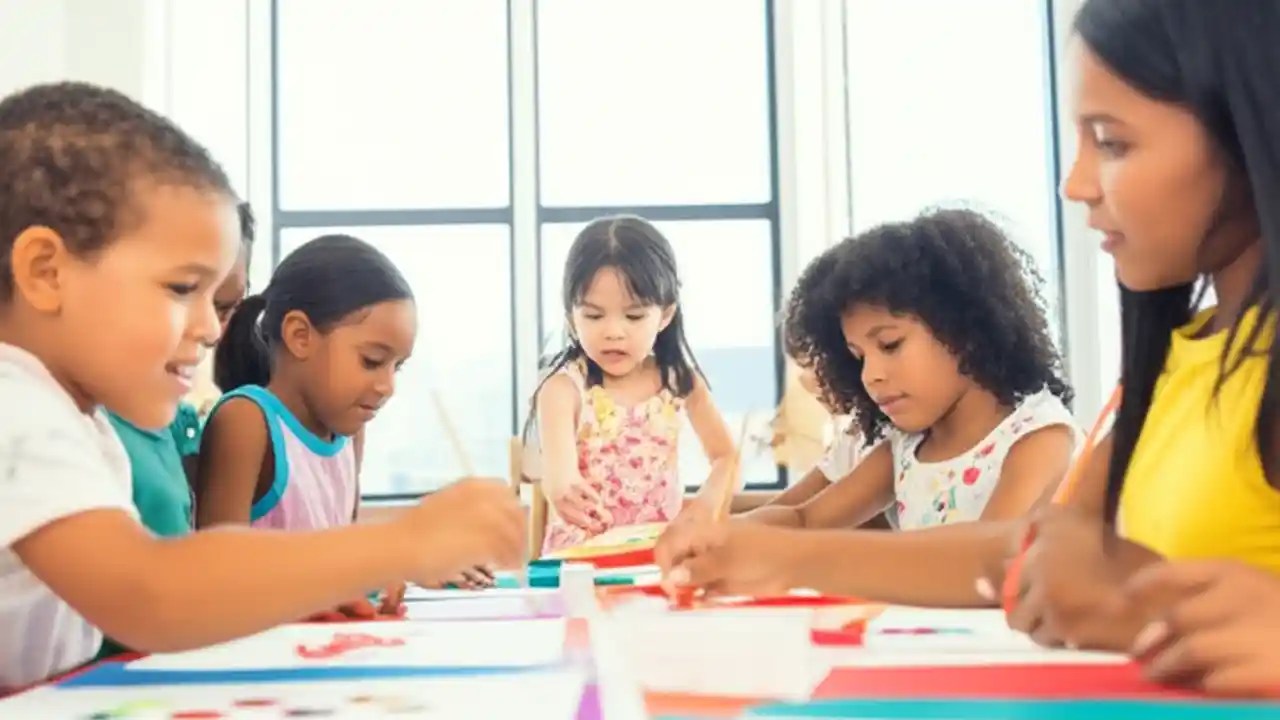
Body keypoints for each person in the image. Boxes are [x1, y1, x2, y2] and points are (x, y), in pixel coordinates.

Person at [0, 81, 523, 691]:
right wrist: (407, 540)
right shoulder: (18, 407)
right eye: (180, 289)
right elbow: (150, 591)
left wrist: (288, 599)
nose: (207, 328)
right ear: (46, 272)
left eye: (216, 299)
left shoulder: (74, 421)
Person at [986, 0, 1280, 658]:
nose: (1076, 184)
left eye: (1112, 142)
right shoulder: (1184, 359)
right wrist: (778, 552)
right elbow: (1042, 547)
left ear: (1253, 127)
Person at [655, 209, 1077, 599]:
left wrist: (793, 559)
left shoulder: (1038, 438)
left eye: (890, 345)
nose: (870, 375)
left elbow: (983, 565)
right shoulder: (904, 446)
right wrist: (716, 536)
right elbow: (804, 519)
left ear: (967, 330)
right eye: (858, 357)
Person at [525, 215, 736, 555]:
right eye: (594, 316)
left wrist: (705, 506)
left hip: (657, 557)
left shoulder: (679, 381)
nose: (613, 331)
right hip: (583, 559)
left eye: (634, 316)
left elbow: (726, 455)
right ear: (571, 318)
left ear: (664, 316)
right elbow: (559, 477)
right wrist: (564, 491)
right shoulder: (563, 389)